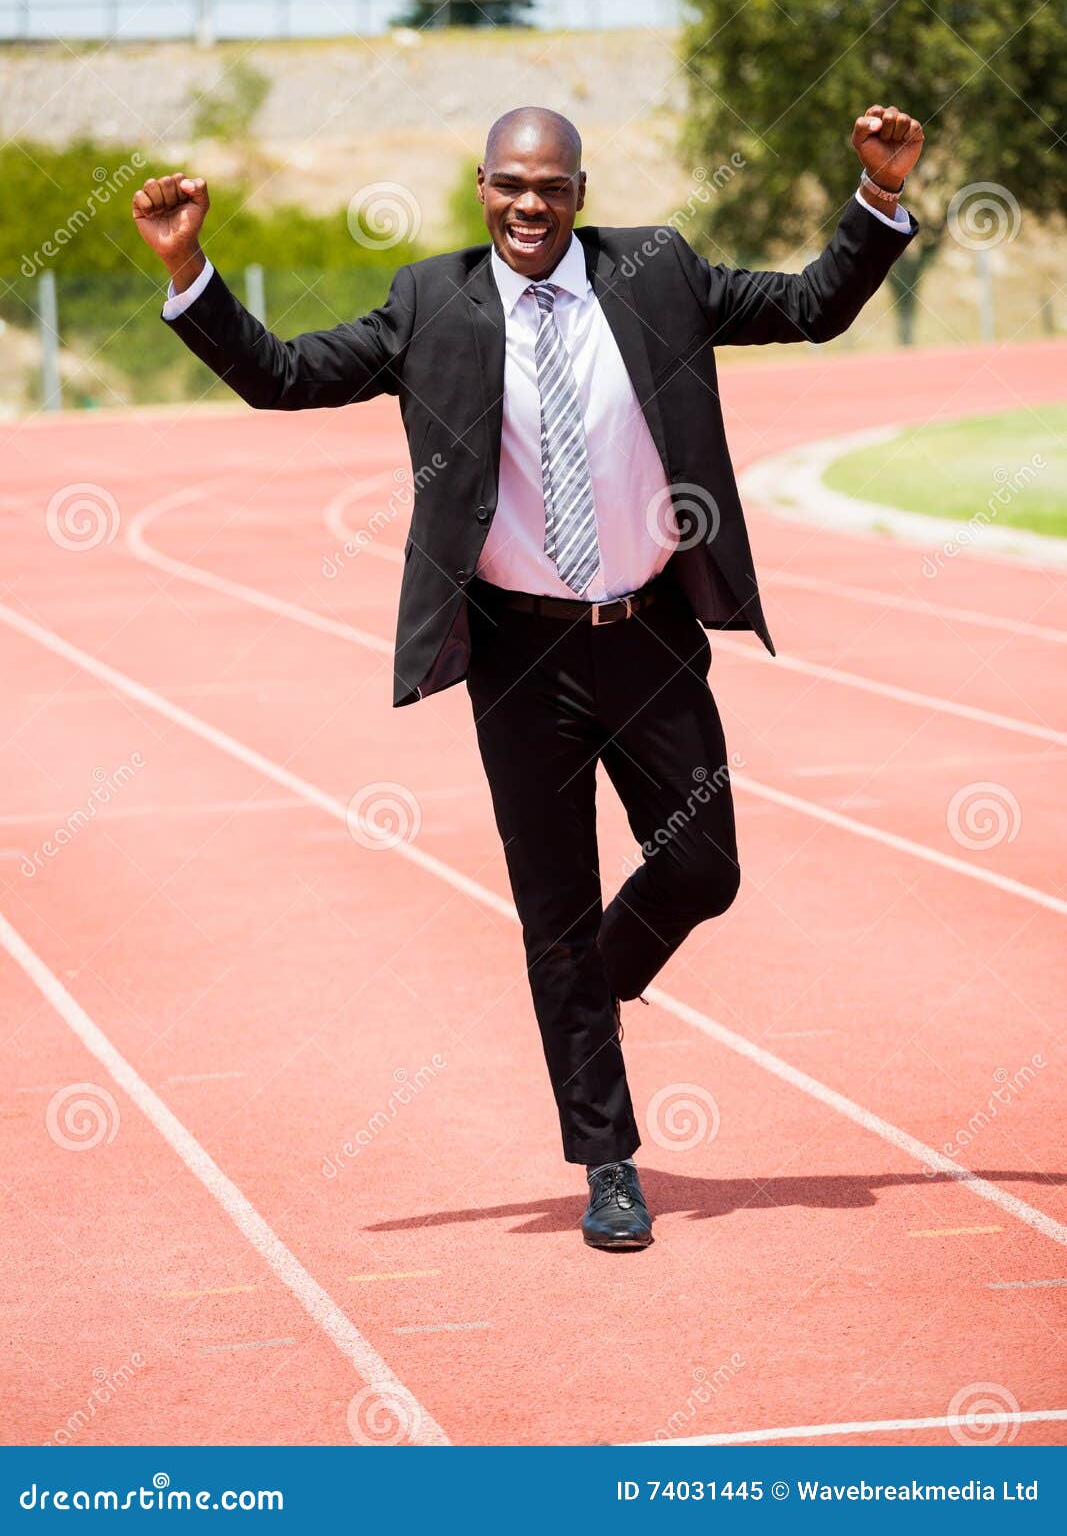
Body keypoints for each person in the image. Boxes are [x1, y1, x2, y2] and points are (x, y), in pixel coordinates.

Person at [133, 102, 923, 1251]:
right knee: (550, 915)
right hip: (517, 655)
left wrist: (880, 199)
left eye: (550, 187)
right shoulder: (427, 304)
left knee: (702, 868)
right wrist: (191, 269)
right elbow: (285, 376)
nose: (528, 205)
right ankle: (609, 1164)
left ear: (580, 195)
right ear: (479, 188)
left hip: (647, 633)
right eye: (509, 184)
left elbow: (808, 306)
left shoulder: (654, 273)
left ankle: (590, 984)